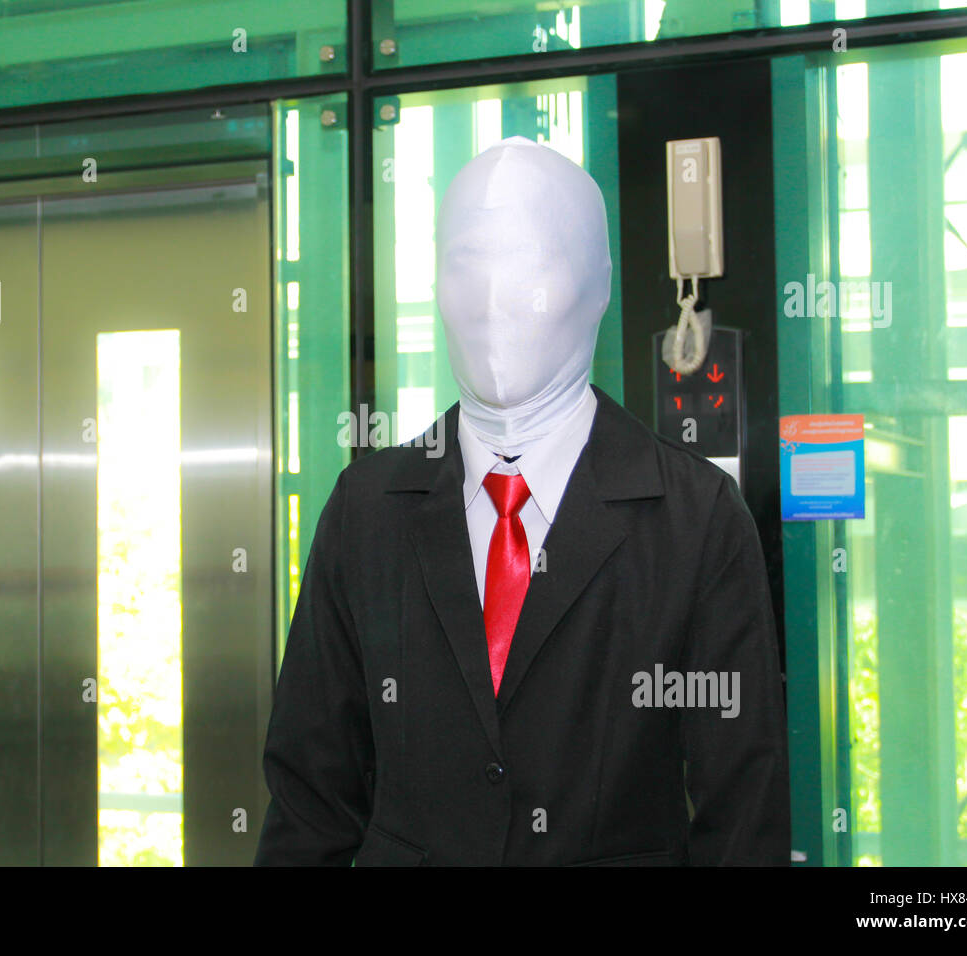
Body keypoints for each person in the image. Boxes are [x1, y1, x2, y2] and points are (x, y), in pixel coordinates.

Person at [254, 135, 789, 866]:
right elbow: (311, 795)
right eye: (465, 264)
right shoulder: (367, 508)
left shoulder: (697, 519)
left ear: (599, 284)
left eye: (533, 260)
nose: (493, 298)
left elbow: (742, 812)